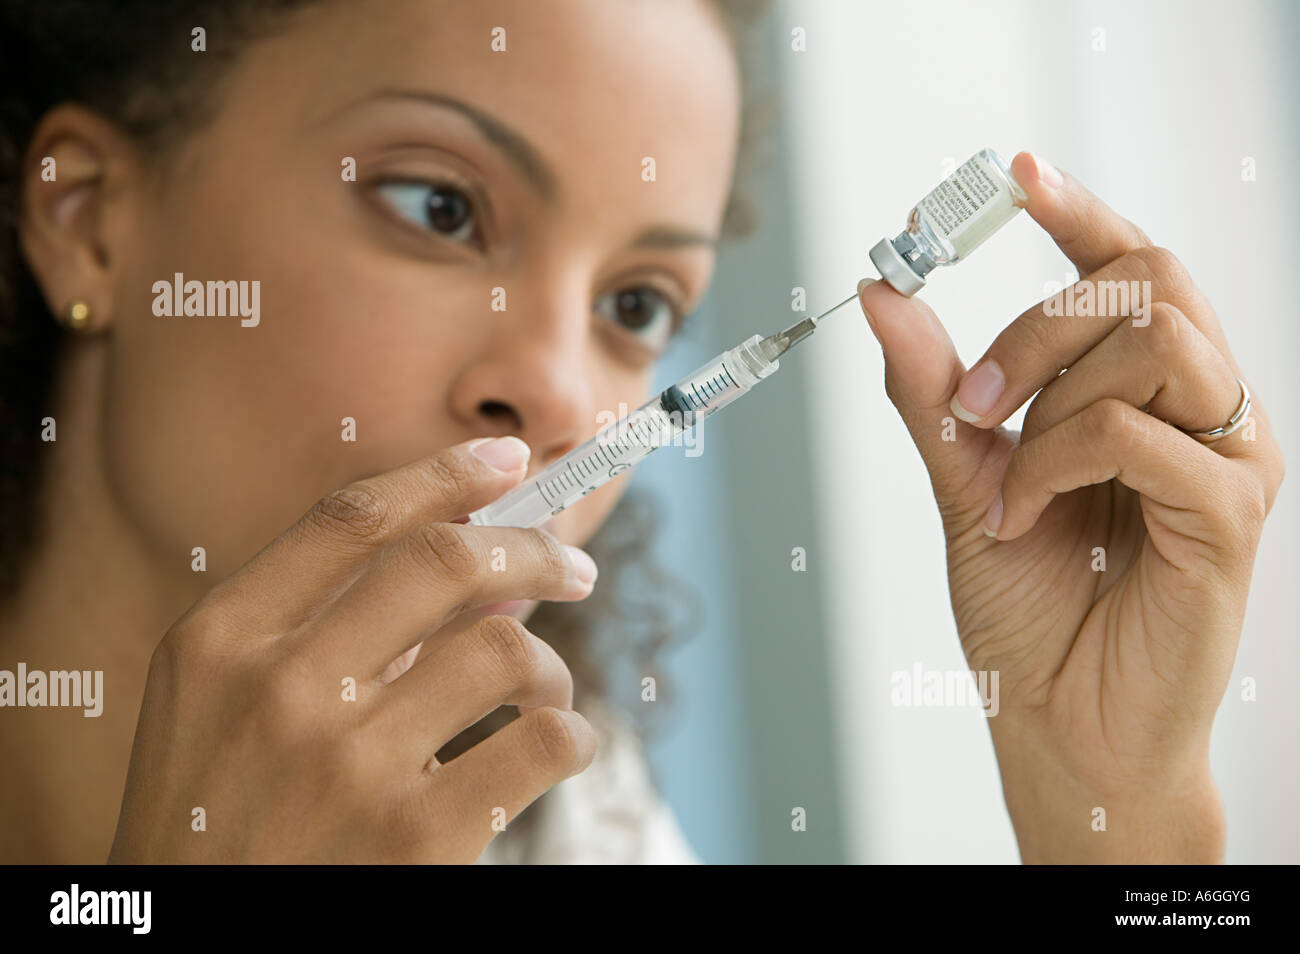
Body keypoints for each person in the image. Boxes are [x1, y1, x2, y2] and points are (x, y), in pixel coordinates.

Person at [0, 0, 1283, 865]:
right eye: (441, 207)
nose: (561, 394)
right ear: (93, 219)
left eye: (633, 306)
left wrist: (1112, 809)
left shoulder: (568, 812)